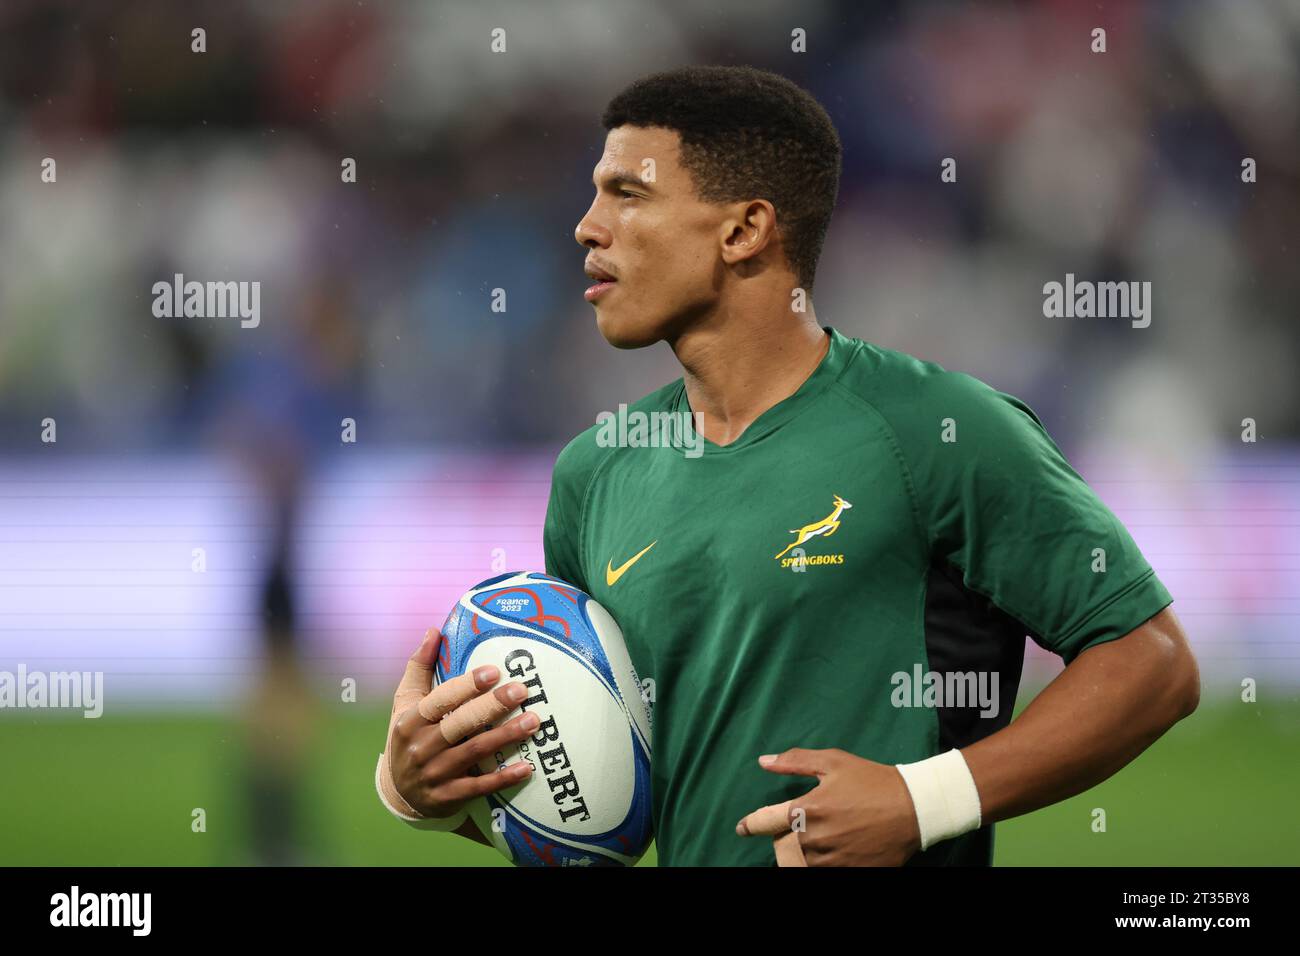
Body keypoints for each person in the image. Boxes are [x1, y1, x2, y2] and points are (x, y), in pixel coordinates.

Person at [376, 65, 1200, 866]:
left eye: (628, 194)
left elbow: (1153, 664)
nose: (587, 227)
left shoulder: (939, 431)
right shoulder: (594, 473)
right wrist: (421, 794)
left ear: (743, 231)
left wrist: (922, 802)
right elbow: (599, 811)